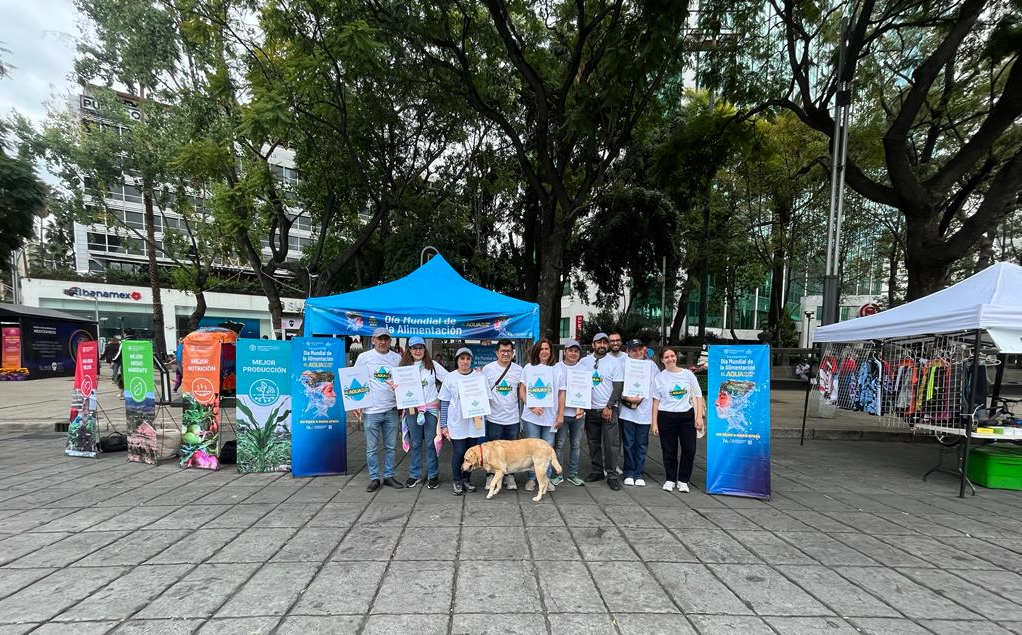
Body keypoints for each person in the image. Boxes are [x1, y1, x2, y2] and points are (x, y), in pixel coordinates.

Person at [354, 327, 404, 492]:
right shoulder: (364, 357)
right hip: (371, 410)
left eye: (386, 339)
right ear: (373, 340)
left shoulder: (397, 358)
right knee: (372, 448)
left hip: (391, 409)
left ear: (390, 341)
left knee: (391, 446)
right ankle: (374, 478)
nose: (383, 342)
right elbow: (355, 379)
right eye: (379, 339)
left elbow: (403, 380)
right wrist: (357, 404)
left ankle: (389, 476)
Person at [652, 347, 706, 493]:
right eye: (667, 357)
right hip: (666, 417)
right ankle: (670, 479)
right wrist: (654, 423)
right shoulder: (659, 378)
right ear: (662, 360)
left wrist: (699, 417)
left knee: (689, 449)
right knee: (669, 450)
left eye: (672, 356)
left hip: (686, 417)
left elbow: (699, 395)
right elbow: (656, 402)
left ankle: (683, 480)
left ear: (676, 357)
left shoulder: (688, 374)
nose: (670, 359)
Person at [399, 336, 447, 489]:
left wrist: (472, 375)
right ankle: (415, 475)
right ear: (410, 350)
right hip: (412, 410)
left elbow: (449, 379)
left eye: (420, 348)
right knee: (416, 443)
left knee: (431, 443)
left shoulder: (433, 366)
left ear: (424, 349)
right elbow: (399, 387)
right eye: (414, 348)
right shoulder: (403, 368)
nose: (418, 351)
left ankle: (433, 474)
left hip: (431, 409)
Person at [579, 332, 624, 490]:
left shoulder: (614, 362)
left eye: (605, 343)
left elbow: (618, 387)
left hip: (608, 410)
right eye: (599, 342)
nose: (602, 345)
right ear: (593, 345)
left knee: (611, 443)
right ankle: (597, 470)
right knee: (593, 442)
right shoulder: (584, 362)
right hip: (590, 409)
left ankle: (612, 474)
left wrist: (609, 406)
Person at [438, 347, 485, 495]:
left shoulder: (479, 377)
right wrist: (444, 425)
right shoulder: (450, 378)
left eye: (468, 359)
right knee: (459, 452)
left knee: (471, 453)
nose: (465, 361)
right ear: (457, 360)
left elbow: (485, 398)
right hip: (456, 422)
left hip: (474, 422)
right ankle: (457, 480)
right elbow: (444, 403)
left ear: (471, 360)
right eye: (462, 358)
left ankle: (467, 479)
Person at [482, 339, 523, 491]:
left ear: (513, 353)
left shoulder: (519, 370)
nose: (505, 354)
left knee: (512, 451)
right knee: (493, 451)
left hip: (512, 418)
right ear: (497, 353)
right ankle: (491, 476)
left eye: (508, 351)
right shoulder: (487, 369)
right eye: (502, 351)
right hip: (494, 418)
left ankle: (509, 475)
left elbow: (522, 392)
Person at [518, 338, 557, 492]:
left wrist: (560, 415)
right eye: (541, 349)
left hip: (550, 417)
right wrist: (531, 405)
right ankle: (532, 479)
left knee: (547, 449)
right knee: (532, 449)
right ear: (537, 351)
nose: (544, 351)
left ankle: (546, 479)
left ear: (551, 351)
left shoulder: (556, 369)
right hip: (531, 417)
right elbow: (522, 390)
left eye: (547, 349)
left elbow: (561, 393)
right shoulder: (528, 368)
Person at [619, 339, 658, 487]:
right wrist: (628, 397)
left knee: (642, 444)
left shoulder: (652, 366)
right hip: (628, 411)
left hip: (645, 411)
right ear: (628, 352)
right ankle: (629, 472)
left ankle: (639, 473)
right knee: (629, 444)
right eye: (633, 350)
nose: (637, 352)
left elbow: (657, 387)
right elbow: (617, 386)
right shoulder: (624, 365)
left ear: (644, 349)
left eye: (639, 349)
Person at [553, 339, 585, 486]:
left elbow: (587, 390)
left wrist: (582, 407)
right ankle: (557, 474)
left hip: (578, 415)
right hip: (562, 413)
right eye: (570, 350)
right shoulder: (556, 368)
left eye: (576, 351)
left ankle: (573, 474)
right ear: (564, 352)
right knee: (559, 445)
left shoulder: (583, 368)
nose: (573, 353)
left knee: (576, 445)